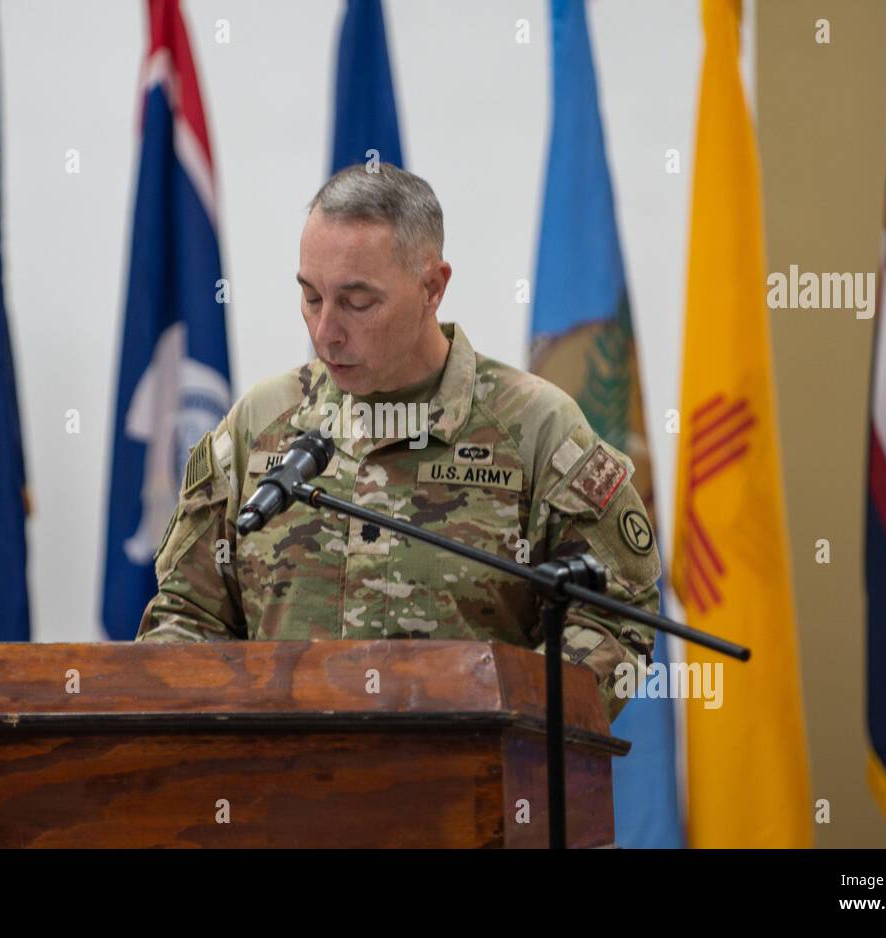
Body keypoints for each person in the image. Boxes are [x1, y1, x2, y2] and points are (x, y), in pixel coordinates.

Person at [136, 163, 660, 720]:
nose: (325, 331)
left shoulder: (534, 428)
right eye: (312, 297)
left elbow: (617, 615)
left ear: (432, 288)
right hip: (280, 790)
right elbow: (186, 613)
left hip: (473, 792)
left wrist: (513, 715)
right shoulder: (260, 425)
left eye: (358, 303)